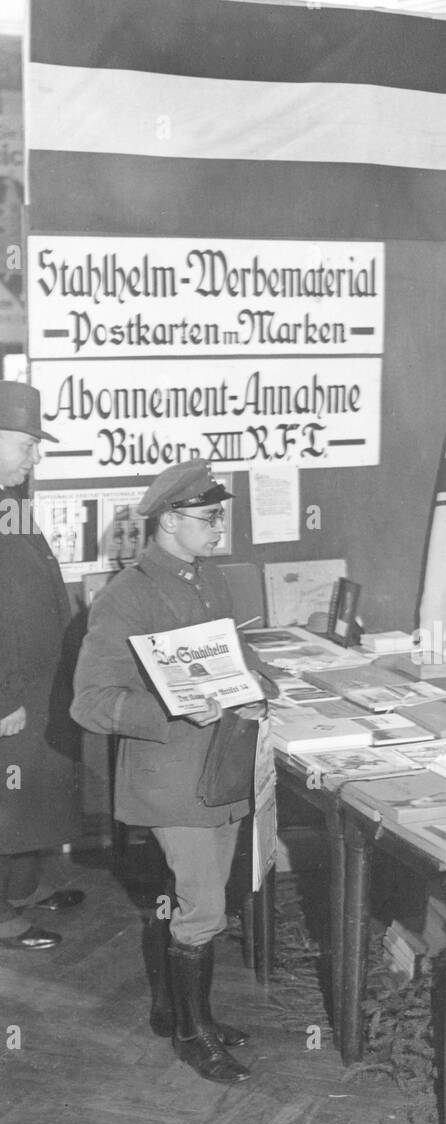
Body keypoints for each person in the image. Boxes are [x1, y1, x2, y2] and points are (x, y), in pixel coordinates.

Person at [70, 459, 276, 1083]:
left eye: (220, 516)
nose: (219, 528)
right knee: (205, 908)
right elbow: (90, 701)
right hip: (170, 779)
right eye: (208, 518)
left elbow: (237, 653)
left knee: (195, 899)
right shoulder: (125, 597)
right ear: (166, 522)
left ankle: (180, 1012)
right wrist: (171, 706)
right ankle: (192, 1036)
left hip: (221, 770)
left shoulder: (208, 582)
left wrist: (258, 680)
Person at [0, 382, 84, 951]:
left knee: (33, 800)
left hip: (38, 685)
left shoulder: (11, 504)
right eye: (28, 442)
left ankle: (21, 894)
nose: (37, 454)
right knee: (7, 803)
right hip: (11, 694)